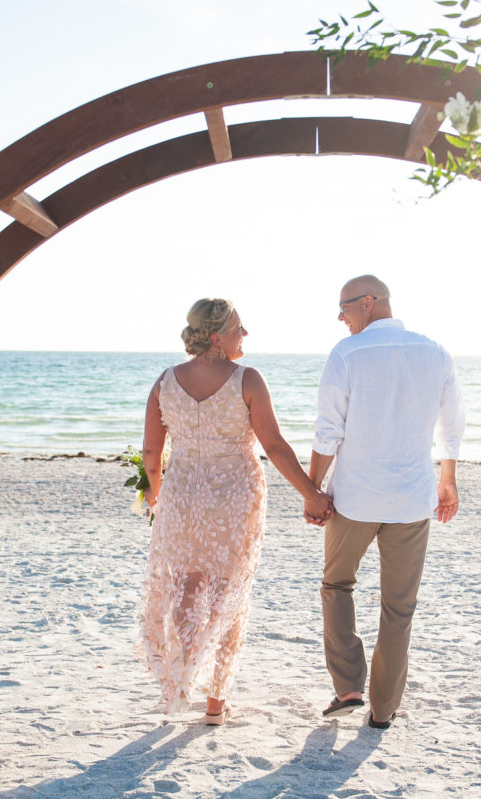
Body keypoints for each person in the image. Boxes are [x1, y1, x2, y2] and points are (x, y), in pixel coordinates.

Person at [136, 297, 333, 725]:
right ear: (216, 337)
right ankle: (215, 702)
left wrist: (155, 492)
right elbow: (274, 445)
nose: (246, 334)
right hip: (235, 495)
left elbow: (153, 450)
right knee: (228, 591)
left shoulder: (165, 382)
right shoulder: (247, 380)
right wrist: (310, 493)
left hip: (183, 495)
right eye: (239, 328)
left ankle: (184, 679)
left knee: (189, 583)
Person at [308, 275, 463, 730]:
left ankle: (349, 686)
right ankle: (383, 710)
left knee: (337, 586)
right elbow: (451, 425)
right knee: (400, 608)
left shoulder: (347, 353)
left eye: (345, 308)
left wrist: (314, 489)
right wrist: (447, 479)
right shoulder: (436, 353)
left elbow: (327, 429)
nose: (340, 317)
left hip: (355, 496)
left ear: (369, 302)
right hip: (413, 499)